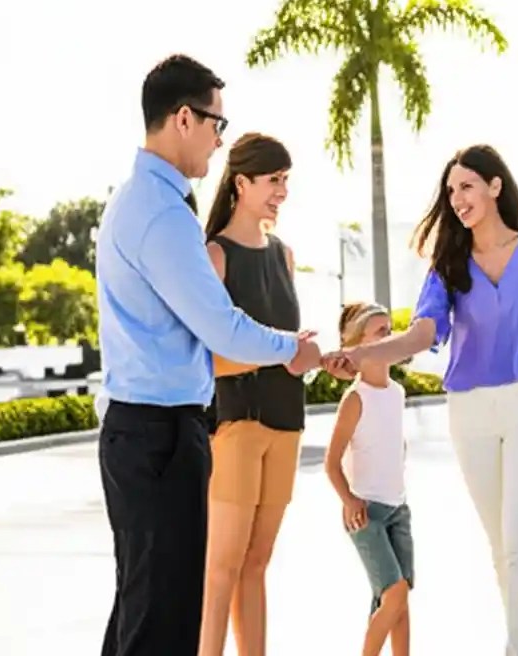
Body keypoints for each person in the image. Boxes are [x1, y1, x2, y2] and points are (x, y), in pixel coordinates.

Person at [332, 144, 518, 655]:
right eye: (451, 191)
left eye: (466, 186)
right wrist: (362, 354)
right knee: (502, 550)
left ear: (495, 186)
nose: (457, 199)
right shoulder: (449, 265)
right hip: (469, 411)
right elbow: (420, 335)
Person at [95, 54, 323, 656]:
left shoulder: (138, 201)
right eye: (217, 123)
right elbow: (220, 327)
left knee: (142, 610)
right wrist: (290, 350)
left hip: (144, 432)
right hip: (160, 439)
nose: (220, 140)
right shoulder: (162, 213)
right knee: (163, 620)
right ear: (183, 119)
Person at [197, 133, 306, 656]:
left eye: (286, 181)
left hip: (286, 423)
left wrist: (312, 357)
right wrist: (284, 353)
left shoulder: (284, 257)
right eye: (273, 180)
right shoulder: (214, 255)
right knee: (222, 568)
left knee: (258, 563)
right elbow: (210, 358)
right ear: (241, 183)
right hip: (235, 425)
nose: (282, 191)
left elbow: (287, 345)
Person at [325, 302, 414, 656]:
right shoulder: (354, 399)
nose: (389, 337)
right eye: (381, 332)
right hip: (367, 514)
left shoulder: (397, 393)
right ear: (359, 344)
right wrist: (350, 500)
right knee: (394, 595)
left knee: (399, 599)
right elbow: (331, 462)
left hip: (399, 508)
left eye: (390, 330)